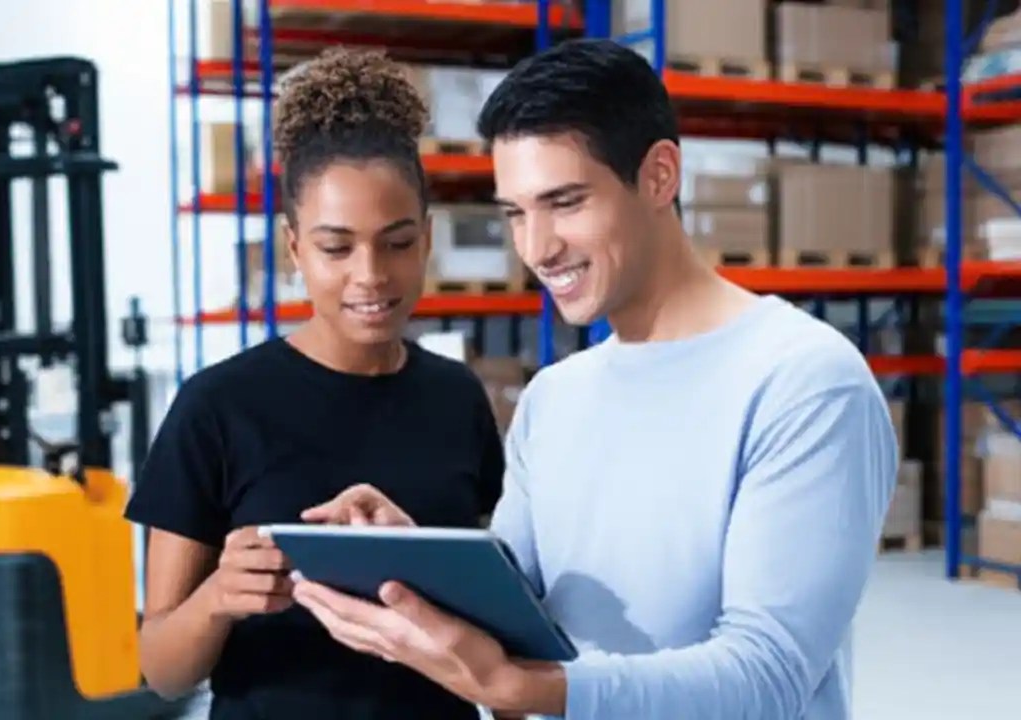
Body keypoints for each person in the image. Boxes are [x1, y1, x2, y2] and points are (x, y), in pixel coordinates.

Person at [288, 38, 899, 719]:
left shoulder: (803, 383)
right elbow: (519, 612)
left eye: (566, 202)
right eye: (517, 213)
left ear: (660, 175)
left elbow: (768, 674)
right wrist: (423, 563)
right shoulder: (555, 396)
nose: (538, 247)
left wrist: (530, 689)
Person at [123, 47, 504, 720]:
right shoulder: (217, 408)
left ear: (428, 238)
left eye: (397, 242)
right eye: (336, 247)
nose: (371, 275)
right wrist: (218, 598)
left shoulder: (457, 398)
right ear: (294, 248)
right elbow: (162, 670)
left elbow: (500, 627)